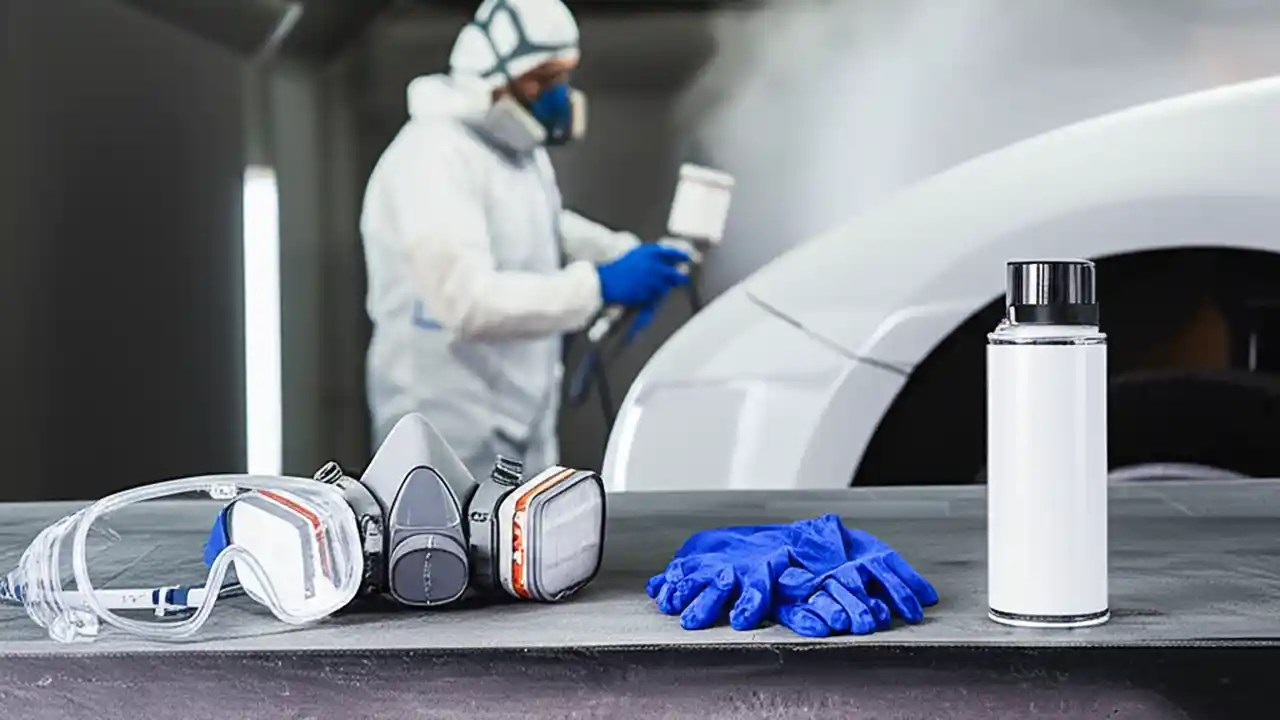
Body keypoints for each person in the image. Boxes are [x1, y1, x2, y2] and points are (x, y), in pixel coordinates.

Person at [360, 0, 689, 481]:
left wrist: (619, 252)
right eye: (543, 80)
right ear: (491, 80)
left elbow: (542, 223)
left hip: (518, 418)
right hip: (444, 431)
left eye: (564, 77)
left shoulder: (514, 152)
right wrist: (599, 285)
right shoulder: (432, 158)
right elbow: (466, 301)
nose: (558, 96)